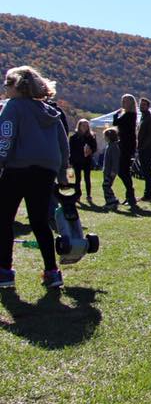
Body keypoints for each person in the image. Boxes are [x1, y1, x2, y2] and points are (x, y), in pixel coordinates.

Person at [0, 66, 69, 289]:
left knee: (4, 219)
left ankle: (5, 271)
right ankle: (52, 271)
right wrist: (60, 173)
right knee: (39, 221)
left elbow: (5, 135)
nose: (5, 88)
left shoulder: (13, 107)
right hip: (45, 170)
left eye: (7, 84)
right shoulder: (49, 111)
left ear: (18, 86)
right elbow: (63, 144)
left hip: (18, 168)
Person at [112, 93, 138, 207]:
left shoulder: (129, 114)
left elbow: (115, 123)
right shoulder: (129, 114)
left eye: (125, 101)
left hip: (126, 145)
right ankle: (130, 195)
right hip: (126, 144)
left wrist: (115, 115)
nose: (123, 103)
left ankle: (131, 194)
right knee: (124, 171)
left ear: (131, 103)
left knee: (122, 171)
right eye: (122, 101)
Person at [69, 118, 97, 202]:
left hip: (87, 160)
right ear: (79, 126)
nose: (85, 127)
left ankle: (88, 195)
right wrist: (70, 161)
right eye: (83, 125)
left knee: (87, 178)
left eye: (86, 125)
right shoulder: (74, 137)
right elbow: (71, 150)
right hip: (77, 160)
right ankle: (77, 195)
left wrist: (90, 150)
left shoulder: (91, 136)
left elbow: (95, 148)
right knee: (78, 179)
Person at [137, 97, 151, 202]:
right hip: (142, 148)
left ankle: (148, 195)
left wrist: (142, 148)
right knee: (144, 172)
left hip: (146, 149)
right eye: (141, 104)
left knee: (147, 172)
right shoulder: (143, 118)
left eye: (144, 105)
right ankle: (147, 194)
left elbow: (150, 136)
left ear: (148, 106)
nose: (142, 106)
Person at [101, 127, 121, 208]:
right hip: (107, 170)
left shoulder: (114, 146)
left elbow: (115, 160)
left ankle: (112, 201)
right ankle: (110, 201)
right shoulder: (109, 146)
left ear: (108, 137)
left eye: (105, 136)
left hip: (110, 171)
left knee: (106, 186)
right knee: (106, 186)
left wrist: (114, 171)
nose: (104, 138)